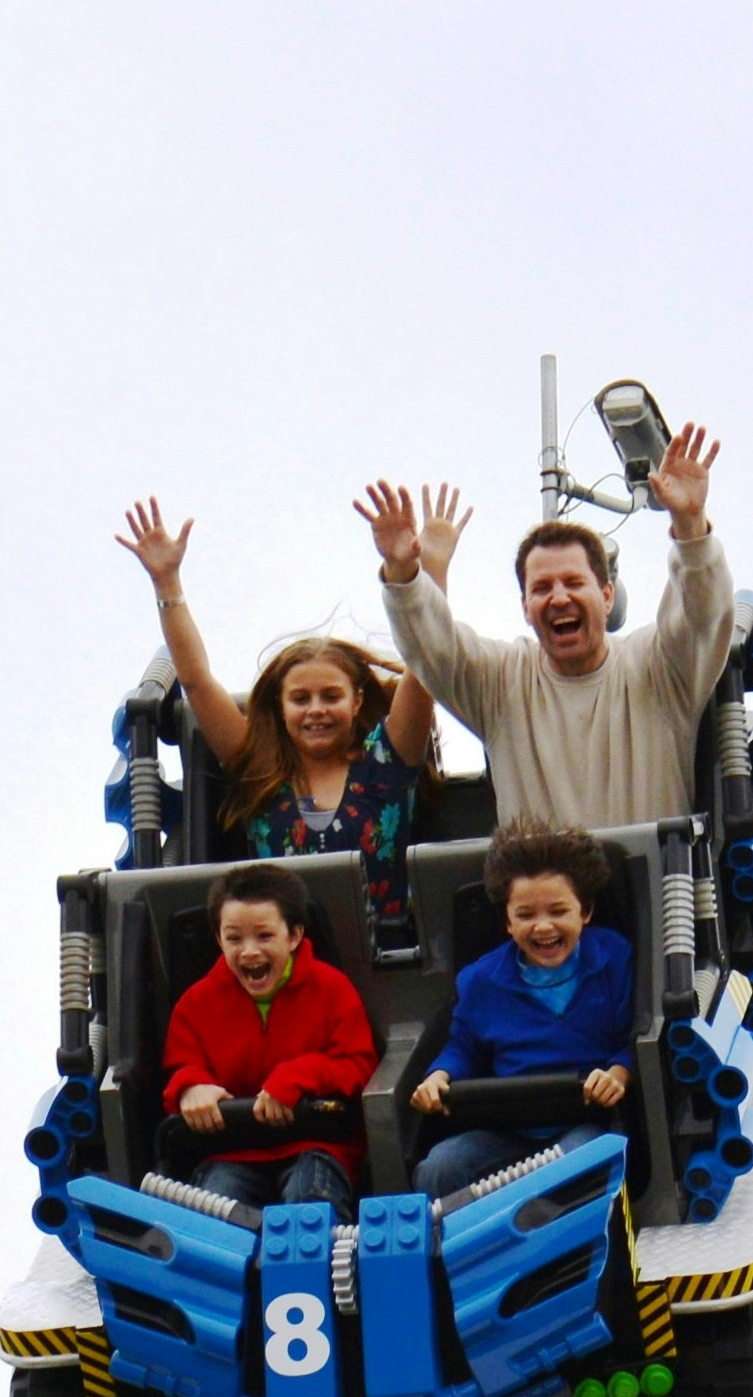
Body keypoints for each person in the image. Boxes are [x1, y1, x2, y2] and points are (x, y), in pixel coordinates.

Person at [116, 496, 469, 934]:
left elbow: (425, 661)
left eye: (330, 696)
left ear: (356, 702)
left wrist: (426, 571)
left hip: (386, 958)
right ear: (280, 709)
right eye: (301, 699)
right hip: (288, 965)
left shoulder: (387, 764)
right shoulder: (262, 775)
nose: (316, 710)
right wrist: (167, 583)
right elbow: (197, 680)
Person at [356, 424, 732, 826]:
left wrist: (691, 527)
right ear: (524, 606)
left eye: (573, 582)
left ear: (607, 596)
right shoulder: (502, 681)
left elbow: (703, 615)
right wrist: (403, 571)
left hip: (657, 886)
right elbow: (432, 647)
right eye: (541, 587)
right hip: (541, 888)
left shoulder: (660, 668)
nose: (558, 598)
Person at [410, 822, 636, 1200]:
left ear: (585, 912)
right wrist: (439, 1077)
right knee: (439, 1168)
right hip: (509, 1127)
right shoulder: (481, 980)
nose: (543, 926)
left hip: (587, 1121)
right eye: (526, 915)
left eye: (558, 911)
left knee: (577, 1161)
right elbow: (463, 1047)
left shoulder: (613, 957)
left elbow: (634, 1033)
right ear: (508, 922)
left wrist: (618, 1073)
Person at [159, 862, 378, 1218]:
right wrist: (190, 1088)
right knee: (217, 1212)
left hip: (315, 1145)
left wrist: (298, 1077)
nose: (249, 952)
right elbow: (179, 1069)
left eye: (263, 936)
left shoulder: (331, 989)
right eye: (234, 938)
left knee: (310, 1203)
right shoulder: (195, 1005)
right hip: (231, 1153)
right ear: (218, 940)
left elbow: (358, 1065)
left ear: (293, 936)